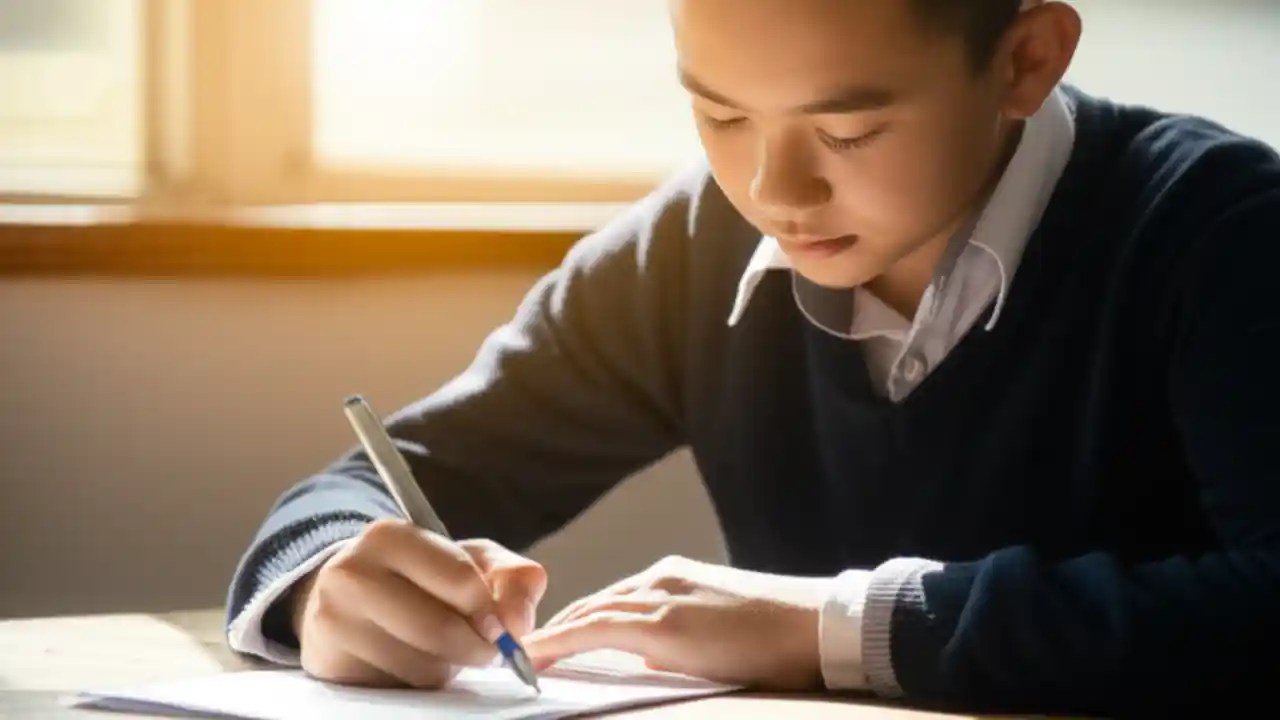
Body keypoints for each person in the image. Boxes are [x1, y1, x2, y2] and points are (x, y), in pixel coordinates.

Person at [224, 0, 1280, 715]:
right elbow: (383, 478)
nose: (775, 193)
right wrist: (327, 580)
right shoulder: (692, 246)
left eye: (851, 131)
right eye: (719, 113)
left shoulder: (1220, 235)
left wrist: (841, 626)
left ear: (1025, 59)